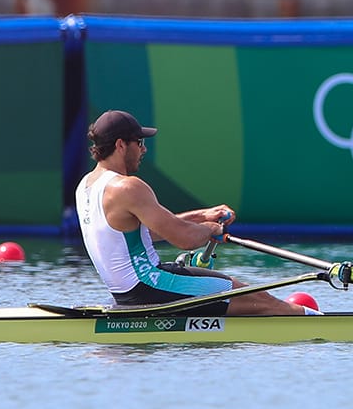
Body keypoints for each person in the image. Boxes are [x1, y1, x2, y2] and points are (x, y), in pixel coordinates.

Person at [76, 110, 313, 315]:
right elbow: (185, 239)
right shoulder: (128, 187)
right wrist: (211, 229)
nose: (143, 149)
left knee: (245, 298)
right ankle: (313, 320)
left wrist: (203, 216)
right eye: (139, 142)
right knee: (263, 300)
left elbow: (149, 231)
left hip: (126, 295)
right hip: (152, 285)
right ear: (120, 145)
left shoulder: (86, 186)